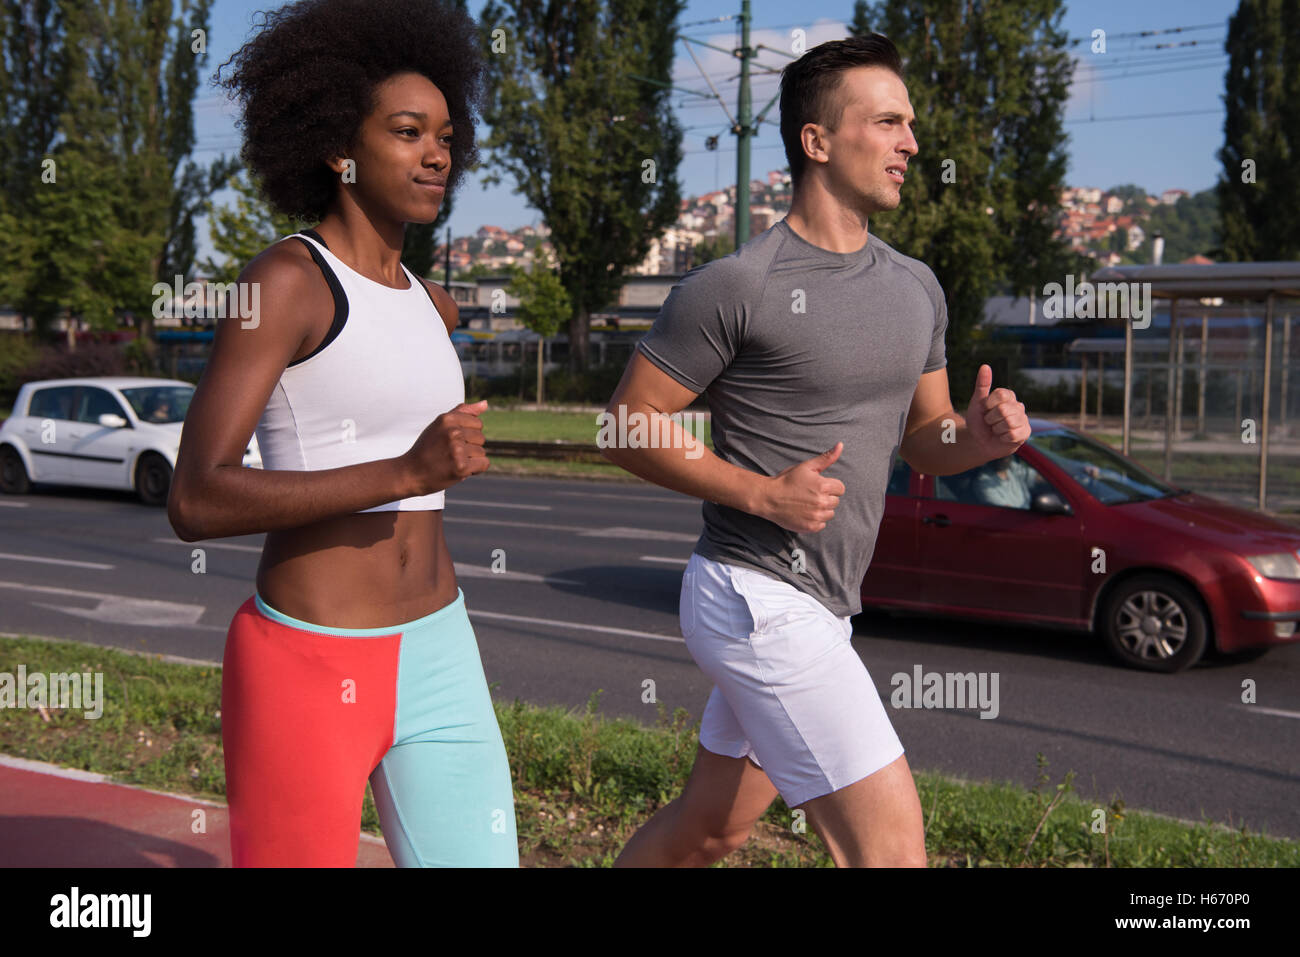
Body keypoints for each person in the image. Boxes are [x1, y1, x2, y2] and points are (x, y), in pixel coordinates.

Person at [602, 34, 1030, 867]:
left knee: (711, 827)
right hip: (757, 597)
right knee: (892, 852)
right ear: (817, 141)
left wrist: (976, 436)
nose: (912, 143)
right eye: (888, 122)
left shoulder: (916, 287)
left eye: (910, 124)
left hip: (824, 604)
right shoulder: (737, 285)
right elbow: (625, 423)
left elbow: (922, 438)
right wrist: (759, 493)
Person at [167, 0, 517, 867]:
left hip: (441, 648)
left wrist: (418, 471)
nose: (438, 153)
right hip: (307, 662)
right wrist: (402, 471)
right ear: (339, 146)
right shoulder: (287, 281)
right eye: (408, 131)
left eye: (445, 135)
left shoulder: (433, 304)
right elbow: (196, 493)